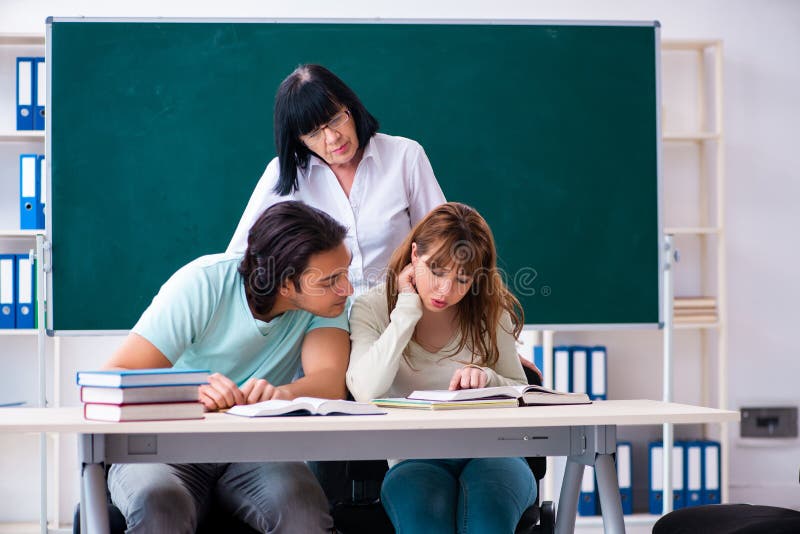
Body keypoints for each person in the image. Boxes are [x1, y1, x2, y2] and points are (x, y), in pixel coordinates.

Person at [103, 201, 352, 534]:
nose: (346, 289)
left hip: (254, 447)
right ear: (286, 285)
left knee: (303, 512)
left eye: (345, 273)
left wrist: (280, 393)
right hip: (166, 443)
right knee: (159, 505)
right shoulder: (203, 283)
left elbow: (330, 380)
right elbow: (114, 374)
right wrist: (189, 390)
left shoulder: (328, 304)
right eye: (332, 280)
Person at [346, 202, 537, 533]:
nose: (446, 290)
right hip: (414, 457)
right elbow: (364, 390)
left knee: (487, 520)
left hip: (494, 453)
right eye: (436, 270)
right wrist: (406, 309)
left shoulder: (491, 312)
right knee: (423, 520)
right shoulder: (373, 307)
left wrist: (489, 379)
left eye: (462, 279)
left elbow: (522, 392)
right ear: (414, 254)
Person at [227, 64, 446, 294]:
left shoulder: (405, 156)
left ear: (350, 108)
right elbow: (238, 258)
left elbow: (443, 244)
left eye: (335, 119)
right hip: (319, 321)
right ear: (299, 140)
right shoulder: (283, 173)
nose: (332, 138)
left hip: (396, 311)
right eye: (314, 133)